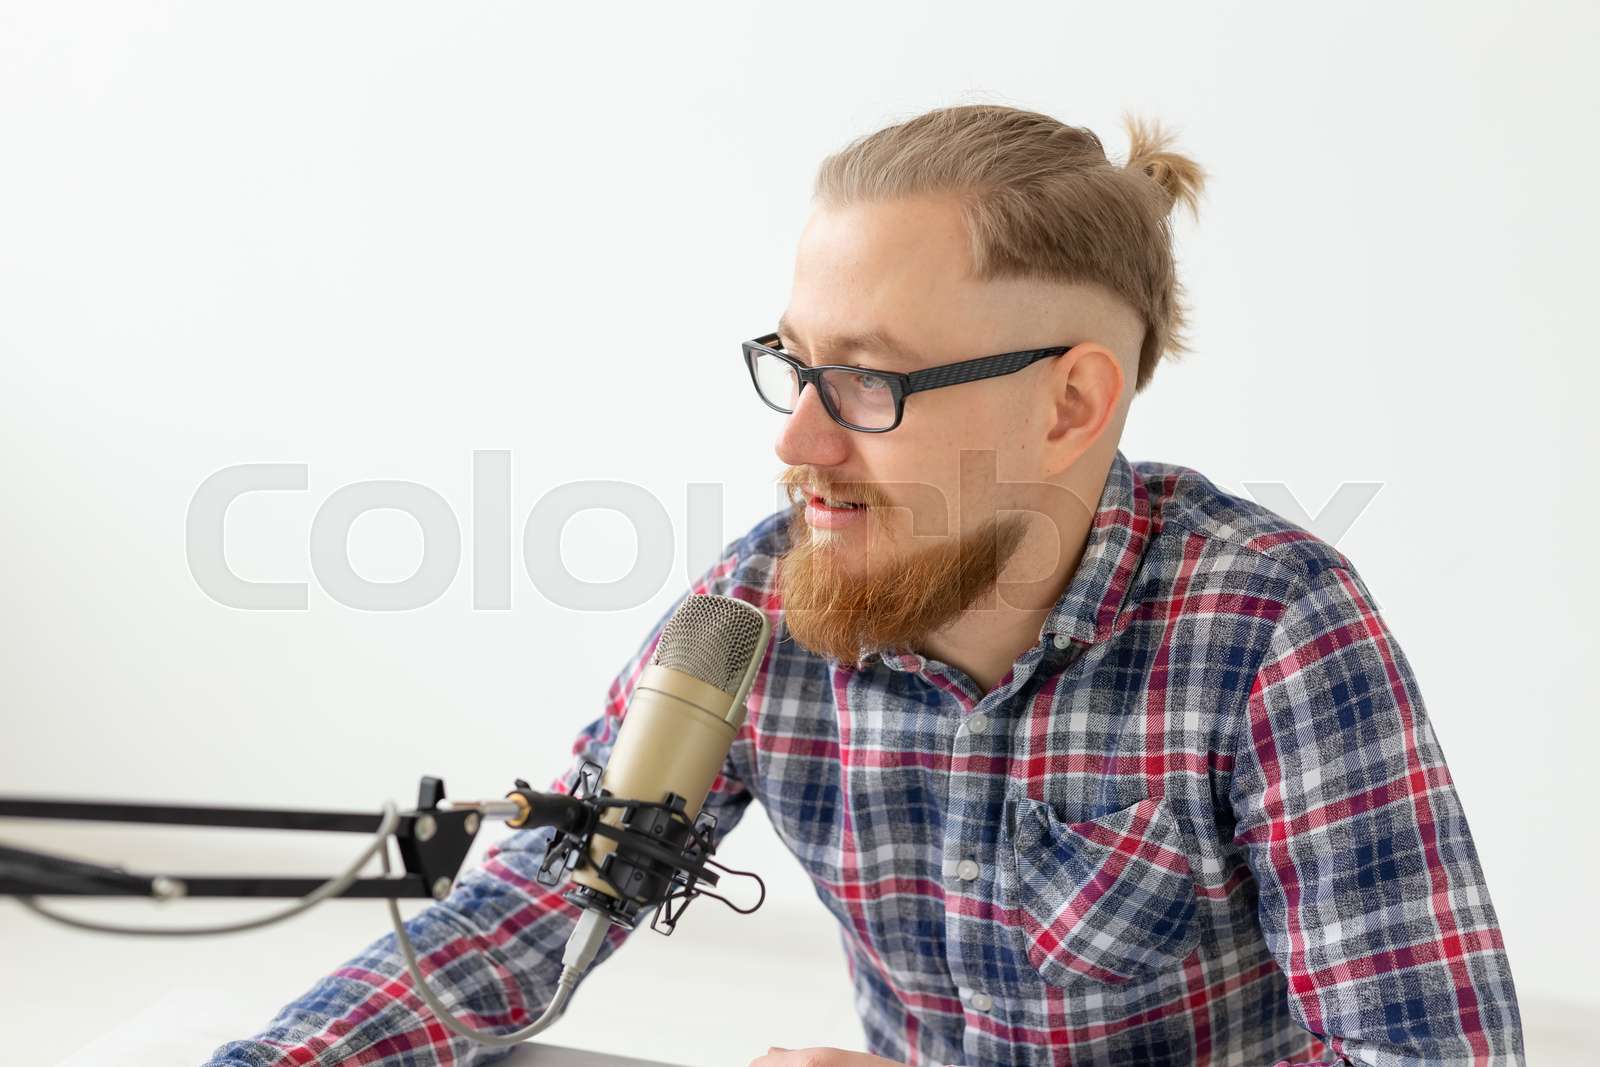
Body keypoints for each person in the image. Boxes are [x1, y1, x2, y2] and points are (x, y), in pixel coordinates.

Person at [205, 104, 1523, 1067]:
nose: (797, 441)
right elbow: (543, 899)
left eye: (872, 382)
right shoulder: (761, 605)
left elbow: (1432, 1060)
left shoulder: (1272, 629)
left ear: (1071, 404)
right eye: (796, 364)